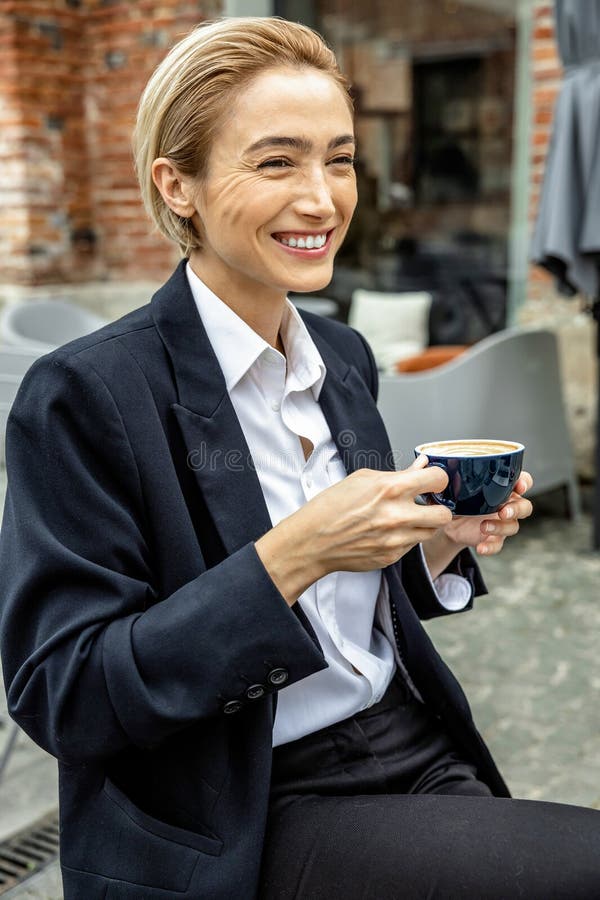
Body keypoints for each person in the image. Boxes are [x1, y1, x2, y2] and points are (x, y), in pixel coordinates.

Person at [0, 17, 598, 900]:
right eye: (277, 163)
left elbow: (355, 612)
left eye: (341, 159)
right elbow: (69, 695)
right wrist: (298, 551)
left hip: (411, 745)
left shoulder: (340, 357)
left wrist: (433, 548)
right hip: (247, 804)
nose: (322, 199)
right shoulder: (86, 394)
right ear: (179, 186)